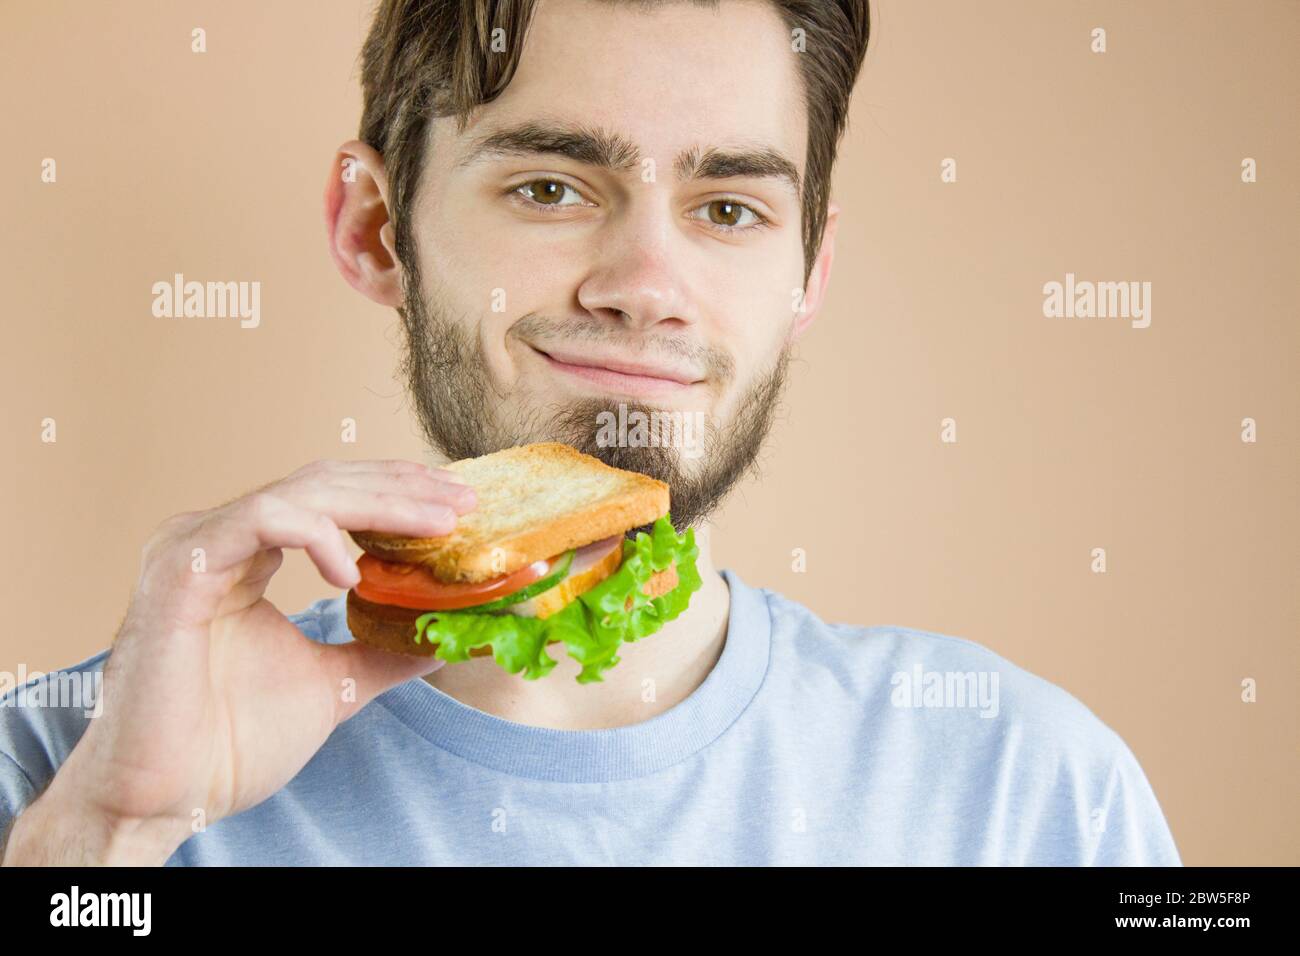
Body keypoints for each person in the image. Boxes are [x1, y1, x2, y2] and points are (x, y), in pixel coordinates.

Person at [0, 0, 1180, 865]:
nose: (646, 285)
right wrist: (110, 831)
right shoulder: (59, 761)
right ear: (375, 228)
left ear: (805, 276)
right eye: (551, 187)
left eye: (728, 207)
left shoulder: (1026, 787)